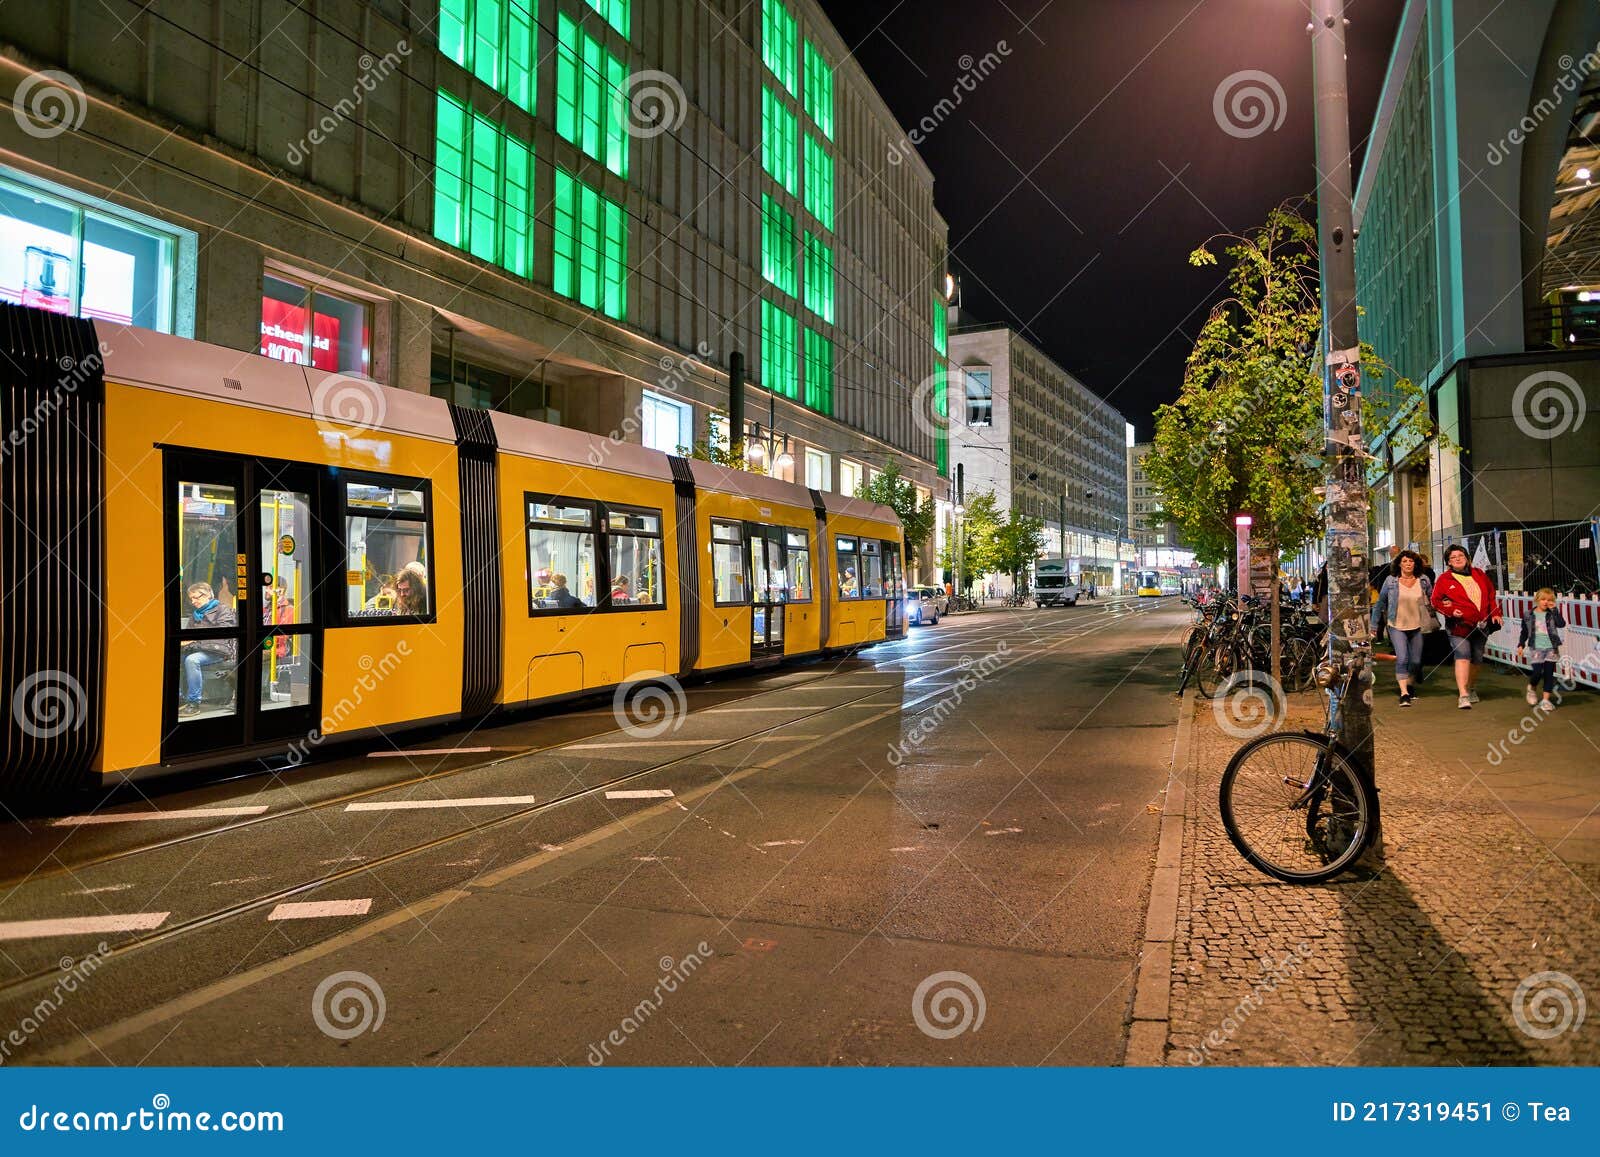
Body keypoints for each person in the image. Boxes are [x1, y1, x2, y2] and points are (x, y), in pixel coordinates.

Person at [1430, 543, 1502, 709]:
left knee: (1477, 657)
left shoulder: (1479, 574)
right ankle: (1463, 695)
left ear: (1467, 558)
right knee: (1462, 654)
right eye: (1453, 558)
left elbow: (1491, 595)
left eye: (1460, 556)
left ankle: (1470, 688)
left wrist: (1496, 612)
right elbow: (1436, 601)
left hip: (1481, 625)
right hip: (1458, 627)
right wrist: (1450, 611)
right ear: (1448, 562)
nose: (1457, 559)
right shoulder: (1444, 579)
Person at [1370, 549, 1432, 706]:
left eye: (1411, 561)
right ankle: (1404, 693)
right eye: (1404, 561)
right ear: (1399, 564)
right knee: (1403, 657)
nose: (1408, 564)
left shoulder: (1423, 580)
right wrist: (1374, 624)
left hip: (1418, 626)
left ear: (1416, 564)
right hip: (1396, 625)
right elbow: (1380, 603)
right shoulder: (1391, 581)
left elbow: (1433, 598)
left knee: (1417, 661)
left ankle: (1410, 684)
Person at [179, 582, 237, 717]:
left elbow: (222, 633)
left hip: (218, 651)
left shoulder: (223, 610)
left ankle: (194, 703)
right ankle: (181, 698)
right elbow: (188, 636)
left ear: (206, 595)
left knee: (192, 660)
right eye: (191, 598)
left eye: (196, 597)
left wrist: (195, 641)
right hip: (199, 649)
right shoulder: (195, 615)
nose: (193, 601)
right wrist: (189, 643)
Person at [1515, 588, 1566, 711]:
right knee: (1537, 672)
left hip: (1551, 647)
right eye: (1543, 599)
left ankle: (1545, 700)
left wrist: (1555, 610)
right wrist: (1521, 644)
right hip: (1536, 647)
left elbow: (1561, 624)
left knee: (1549, 674)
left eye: (1549, 600)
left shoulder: (1552, 613)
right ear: (1537, 600)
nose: (1545, 602)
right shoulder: (1528, 614)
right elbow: (1524, 631)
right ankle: (1532, 688)